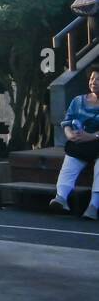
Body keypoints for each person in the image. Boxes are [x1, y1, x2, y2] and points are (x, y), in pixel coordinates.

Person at [50, 66, 99, 218]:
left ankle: (94, 205)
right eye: (92, 78)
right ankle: (61, 197)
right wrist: (70, 134)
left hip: (96, 142)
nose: (94, 82)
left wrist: (91, 136)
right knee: (70, 161)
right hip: (80, 144)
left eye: (98, 79)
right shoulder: (78, 101)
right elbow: (66, 122)